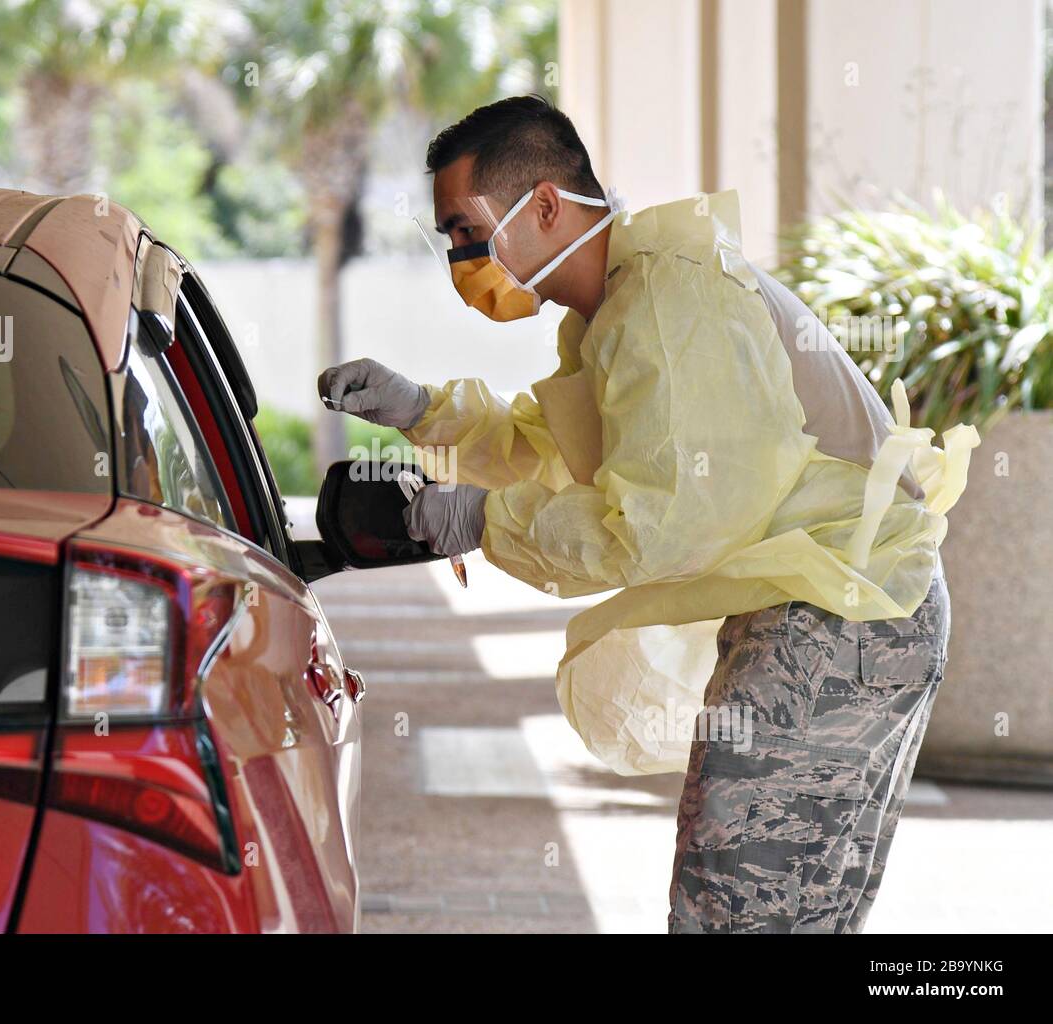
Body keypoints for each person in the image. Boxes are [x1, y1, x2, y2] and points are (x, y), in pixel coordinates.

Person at [317, 95, 978, 934]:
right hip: (845, 608)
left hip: (841, 621)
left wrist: (482, 522)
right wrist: (422, 410)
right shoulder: (625, 307)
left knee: (735, 911)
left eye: (462, 231)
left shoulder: (668, 306)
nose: (459, 259)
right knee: (785, 913)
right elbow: (562, 446)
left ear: (546, 206)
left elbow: (658, 526)